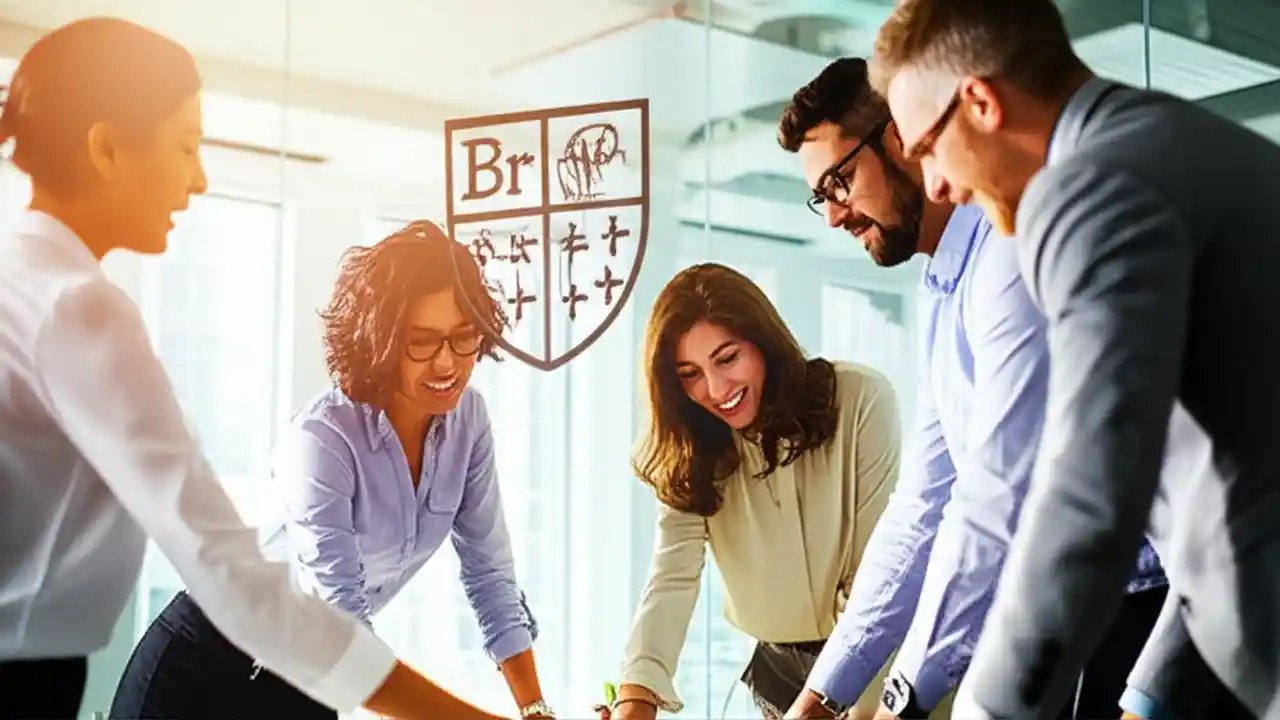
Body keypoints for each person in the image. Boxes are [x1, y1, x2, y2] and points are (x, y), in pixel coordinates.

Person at [0, 16, 503, 720]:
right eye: (184, 147)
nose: (199, 178)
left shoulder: (22, 279)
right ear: (107, 148)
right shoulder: (79, 309)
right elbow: (230, 574)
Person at [869, 0, 1280, 718]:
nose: (933, 185)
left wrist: (986, 712)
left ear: (981, 102)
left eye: (927, 147)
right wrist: (1152, 698)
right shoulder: (1177, 146)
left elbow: (1091, 490)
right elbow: (1244, 477)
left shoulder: (1090, 188)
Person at [774, 56, 1173, 720]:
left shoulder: (1011, 252)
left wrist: (900, 702)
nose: (835, 217)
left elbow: (996, 497)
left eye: (841, 182)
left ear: (902, 137)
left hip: (1152, 606)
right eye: (822, 195)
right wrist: (820, 698)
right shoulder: (943, 285)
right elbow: (922, 506)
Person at [111, 221, 554, 718]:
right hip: (202, 669)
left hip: (310, 681)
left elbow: (490, 574)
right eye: (423, 341)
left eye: (464, 336)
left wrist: (534, 710)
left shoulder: (468, 422)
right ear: (380, 341)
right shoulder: (323, 440)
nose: (448, 363)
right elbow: (343, 625)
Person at [599, 262, 901, 720]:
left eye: (726, 358)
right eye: (689, 373)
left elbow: (872, 578)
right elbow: (671, 578)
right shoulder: (691, 449)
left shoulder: (861, 398)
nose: (716, 389)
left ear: (762, 342)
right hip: (777, 677)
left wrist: (846, 708)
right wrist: (634, 699)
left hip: (881, 664)